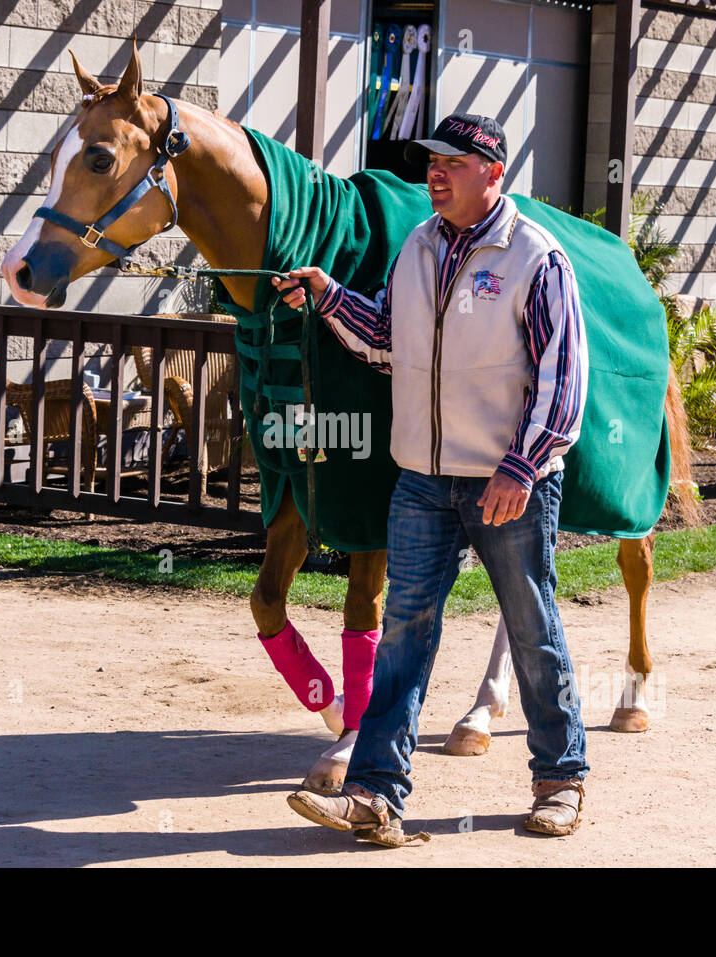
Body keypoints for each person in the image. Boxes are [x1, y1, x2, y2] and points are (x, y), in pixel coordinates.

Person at [271, 112, 590, 845]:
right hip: (422, 480)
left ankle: (561, 778)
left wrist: (520, 465)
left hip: (509, 480)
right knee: (404, 634)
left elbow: (563, 378)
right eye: (429, 161)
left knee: (531, 623)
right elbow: (388, 342)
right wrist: (326, 294)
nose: (434, 173)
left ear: (493, 173)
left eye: (452, 161)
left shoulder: (535, 258)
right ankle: (376, 795)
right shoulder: (416, 247)